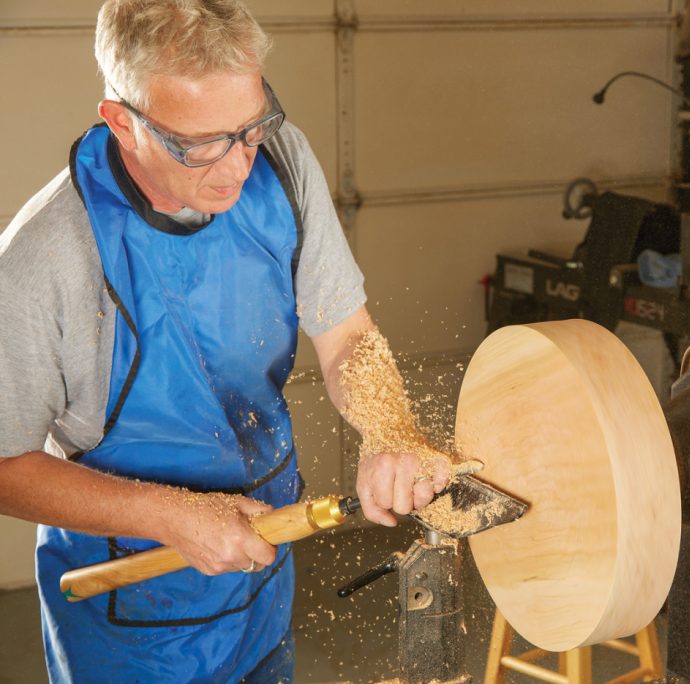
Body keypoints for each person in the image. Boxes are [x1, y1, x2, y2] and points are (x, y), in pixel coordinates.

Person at [0, 1, 450, 681]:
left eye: (249, 127)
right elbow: (4, 466)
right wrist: (173, 515)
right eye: (199, 144)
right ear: (123, 122)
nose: (237, 164)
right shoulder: (46, 259)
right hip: (132, 615)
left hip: (262, 581)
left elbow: (348, 337)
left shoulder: (283, 162)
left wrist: (389, 430)